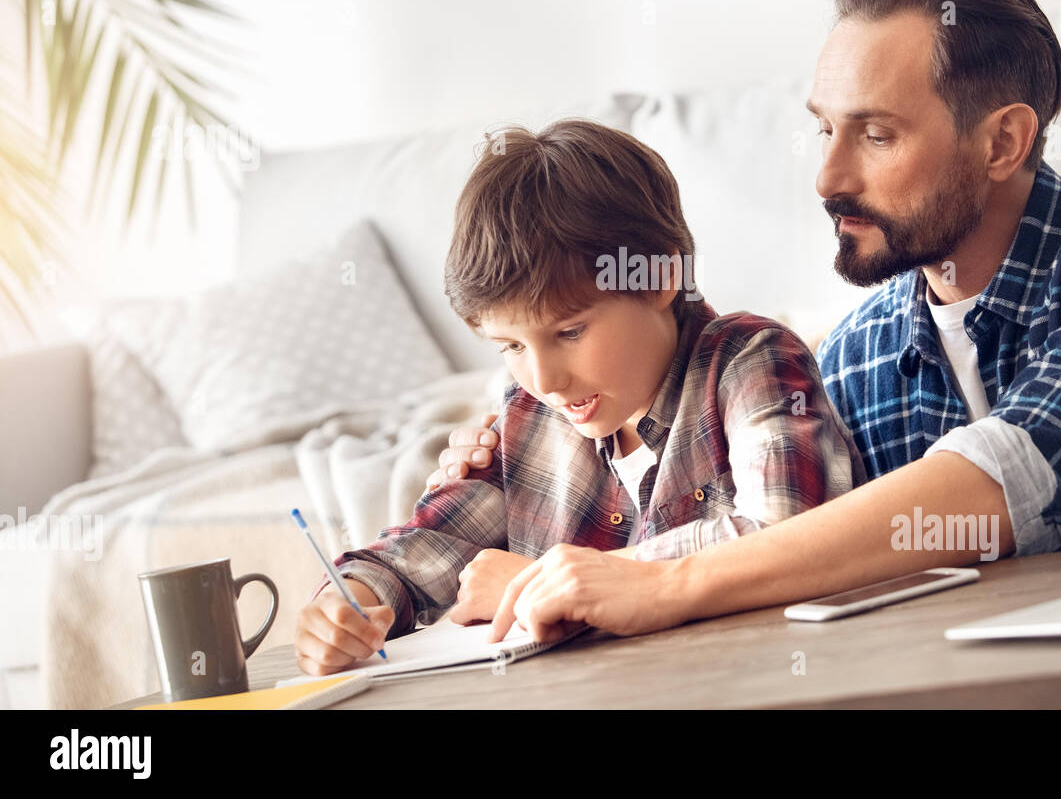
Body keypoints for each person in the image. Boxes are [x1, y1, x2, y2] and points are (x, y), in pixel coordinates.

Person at [432, 0, 1061, 644]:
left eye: (878, 134)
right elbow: (764, 527)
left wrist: (663, 581)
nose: (828, 178)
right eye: (825, 129)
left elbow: (1008, 478)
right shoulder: (857, 356)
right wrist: (507, 471)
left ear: (1003, 141)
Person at [292, 119, 864, 675]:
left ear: (661, 277)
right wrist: (349, 601)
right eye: (510, 345)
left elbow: (791, 534)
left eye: (569, 332)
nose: (544, 380)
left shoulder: (749, 361)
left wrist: (555, 578)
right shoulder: (530, 412)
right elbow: (431, 548)